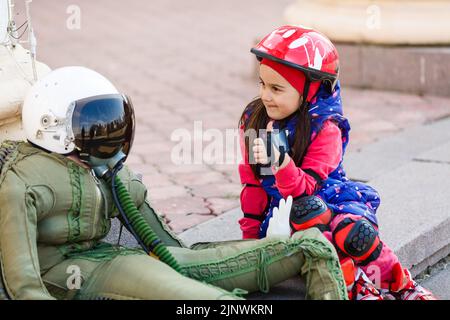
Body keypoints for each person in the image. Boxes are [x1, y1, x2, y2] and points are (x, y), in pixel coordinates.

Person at [0, 66, 347, 300]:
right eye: (93, 125)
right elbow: (24, 284)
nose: (107, 134)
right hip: (69, 273)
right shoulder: (24, 183)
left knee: (309, 245)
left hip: (125, 259)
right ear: (51, 126)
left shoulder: (107, 171)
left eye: (111, 122)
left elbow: (167, 246)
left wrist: (260, 250)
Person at [237, 25, 436, 300]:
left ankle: (402, 286)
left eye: (276, 88)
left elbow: (307, 188)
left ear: (311, 89)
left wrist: (282, 165)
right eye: (262, 83)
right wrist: (249, 243)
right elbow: (252, 183)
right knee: (310, 218)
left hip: (328, 197)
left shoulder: (325, 127)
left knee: (352, 232)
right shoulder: (255, 121)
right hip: (283, 211)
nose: (265, 95)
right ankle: (358, 289)